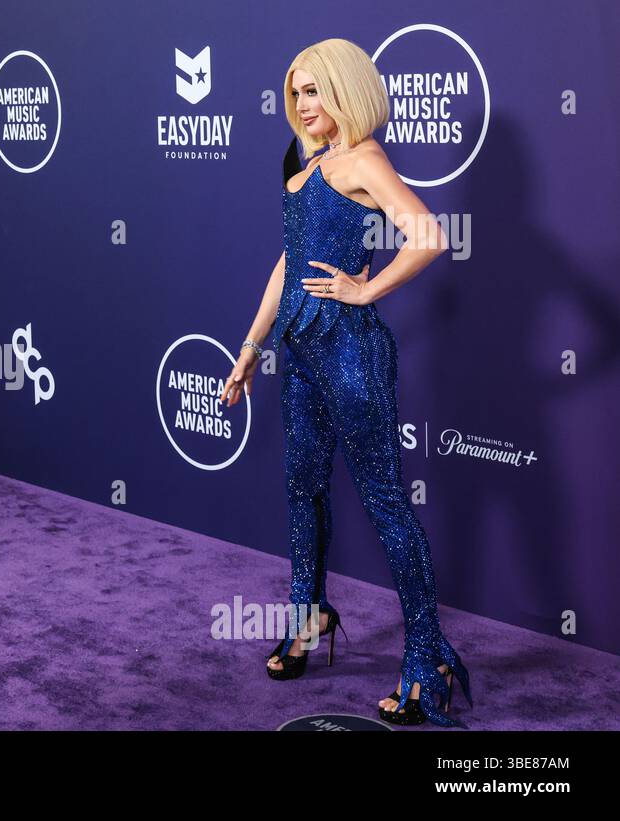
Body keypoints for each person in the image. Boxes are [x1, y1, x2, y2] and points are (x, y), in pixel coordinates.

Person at [219, 38, 471, 726]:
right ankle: (308, 618)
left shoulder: (363, 158)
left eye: (314, 91)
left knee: (387, 503)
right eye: (295, 92)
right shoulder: (310, 164)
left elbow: (426, 233)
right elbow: (287, 263)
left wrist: (367, 291)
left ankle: (426, 659)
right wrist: (250, 345)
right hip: (298, 349)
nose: (301, 105)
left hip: (350, 352)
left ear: (347, 92)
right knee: (302, 488)